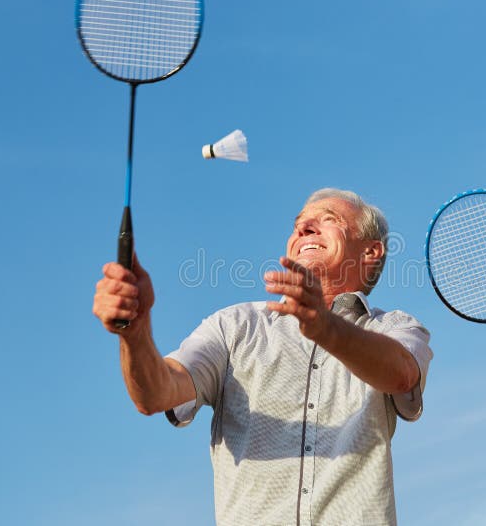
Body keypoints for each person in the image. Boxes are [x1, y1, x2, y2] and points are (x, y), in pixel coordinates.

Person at [93, 188, 433, 526]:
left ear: (371, 251)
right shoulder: (234, 326)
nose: (305, 229)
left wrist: (326, 328)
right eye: (299, 224)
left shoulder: (396, 327)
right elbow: (156, 393)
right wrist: (135, 333)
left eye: (329, 219)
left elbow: (401, 373)